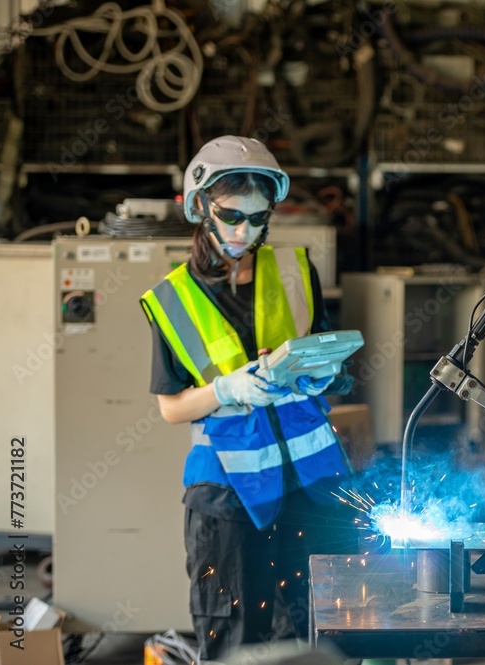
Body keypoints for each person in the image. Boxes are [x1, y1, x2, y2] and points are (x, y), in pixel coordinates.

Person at [140, 136, 357, 663]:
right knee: (239, 639)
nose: (245, 232)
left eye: (258, 219)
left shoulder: (294, 271)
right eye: (232, 216)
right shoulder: (172, 298)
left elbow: (333, 364)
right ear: (199, 208)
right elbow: (170, 407)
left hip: (314, 486)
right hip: (227, 500)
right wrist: (226, 389)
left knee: (335, 630)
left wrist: (322, 377)